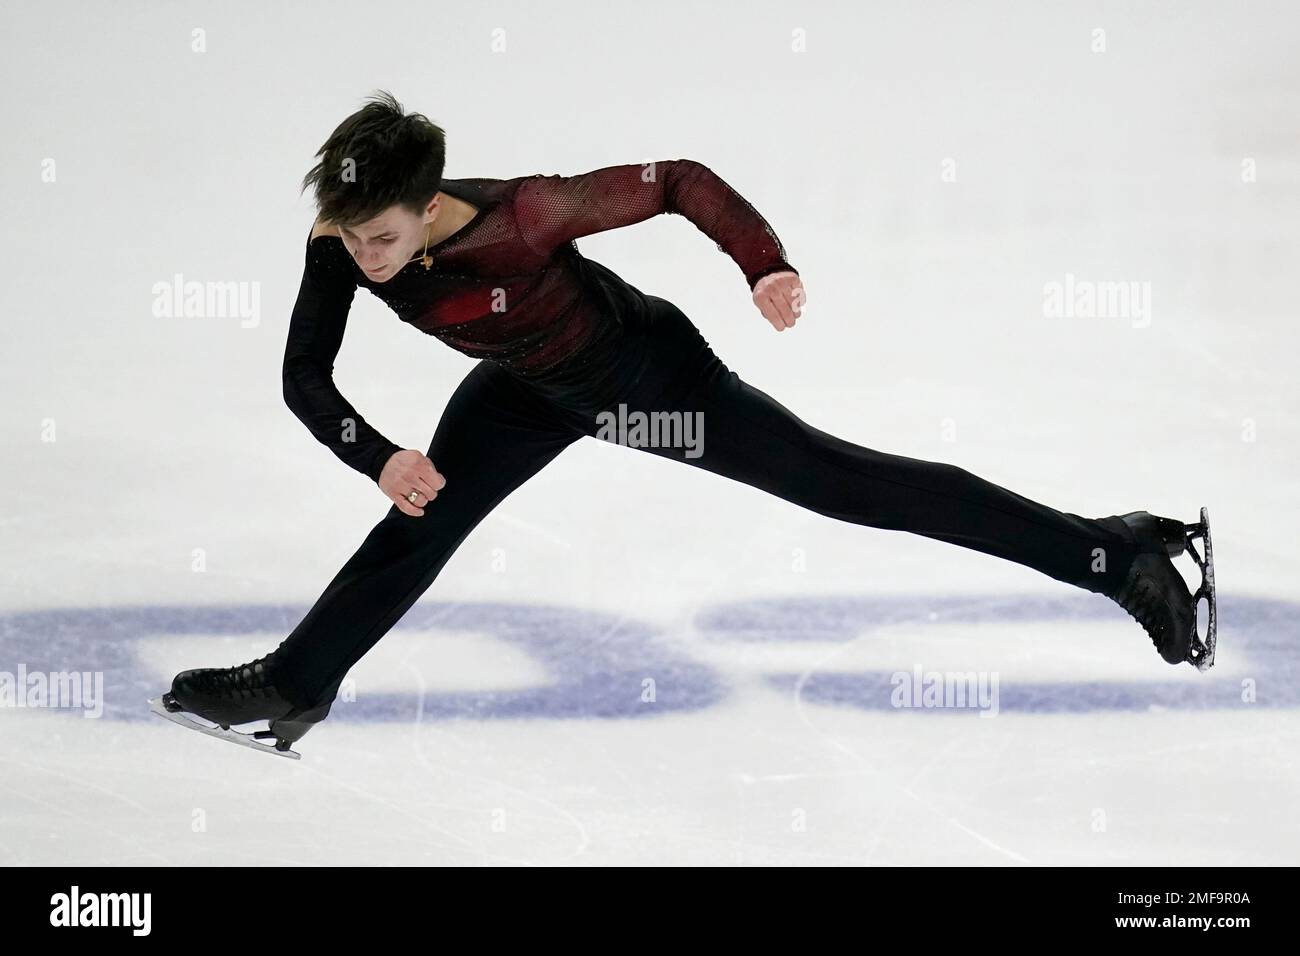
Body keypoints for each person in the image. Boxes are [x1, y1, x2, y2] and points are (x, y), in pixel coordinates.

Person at [158, 90, 1213, 755]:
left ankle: (1113, 556)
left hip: (650, 388)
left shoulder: (527, 215)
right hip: (526, 390)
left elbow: (676, 181)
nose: (361, 257)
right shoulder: (339, 237)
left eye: (380, 238)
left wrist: (763, 260)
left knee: (848, 483)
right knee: (420, 516)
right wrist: (378, 453)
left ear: (430, 204)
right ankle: (297, 683)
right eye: (347, 236)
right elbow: (305, 375)